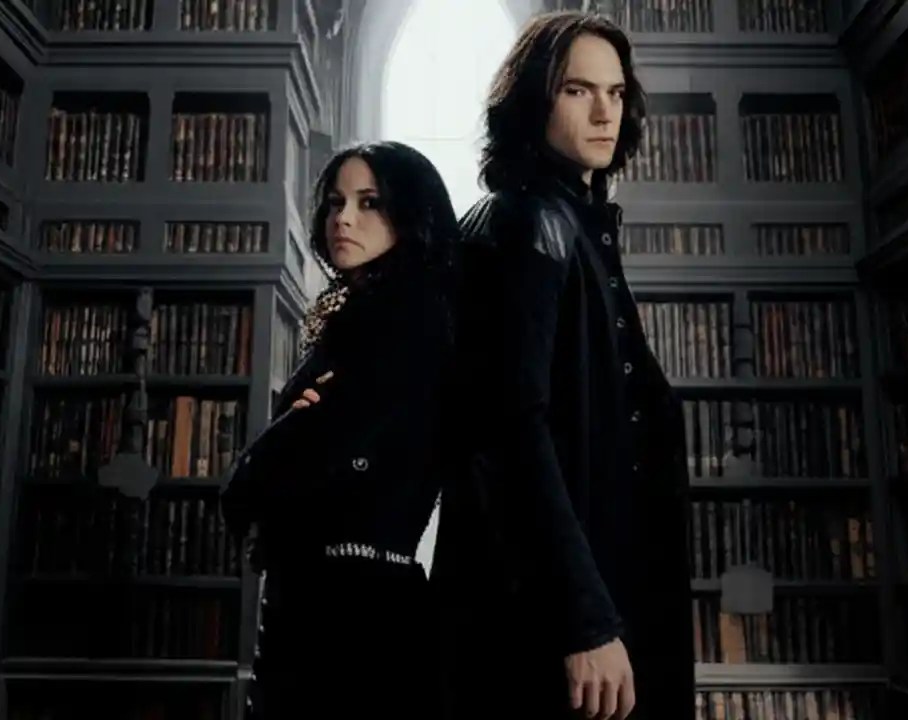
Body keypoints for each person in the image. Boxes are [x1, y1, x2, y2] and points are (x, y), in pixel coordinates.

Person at [431, 10, 694, 720]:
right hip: (560, 626)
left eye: (614, 91)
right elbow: (511, 430)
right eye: (579, 90)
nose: (605, 110)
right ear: (533, 101)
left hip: (604, 597)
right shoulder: (531, 224)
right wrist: (582, 620)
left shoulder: (571, 224)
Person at [219, 140, 459, 720]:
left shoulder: (408, 315)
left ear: (409, 213)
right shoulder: (351, 313)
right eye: (334, 202)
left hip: (358, 612)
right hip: (319, 596)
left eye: (368, 202)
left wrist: (256, 467)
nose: (342, 218)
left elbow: (317, 443)